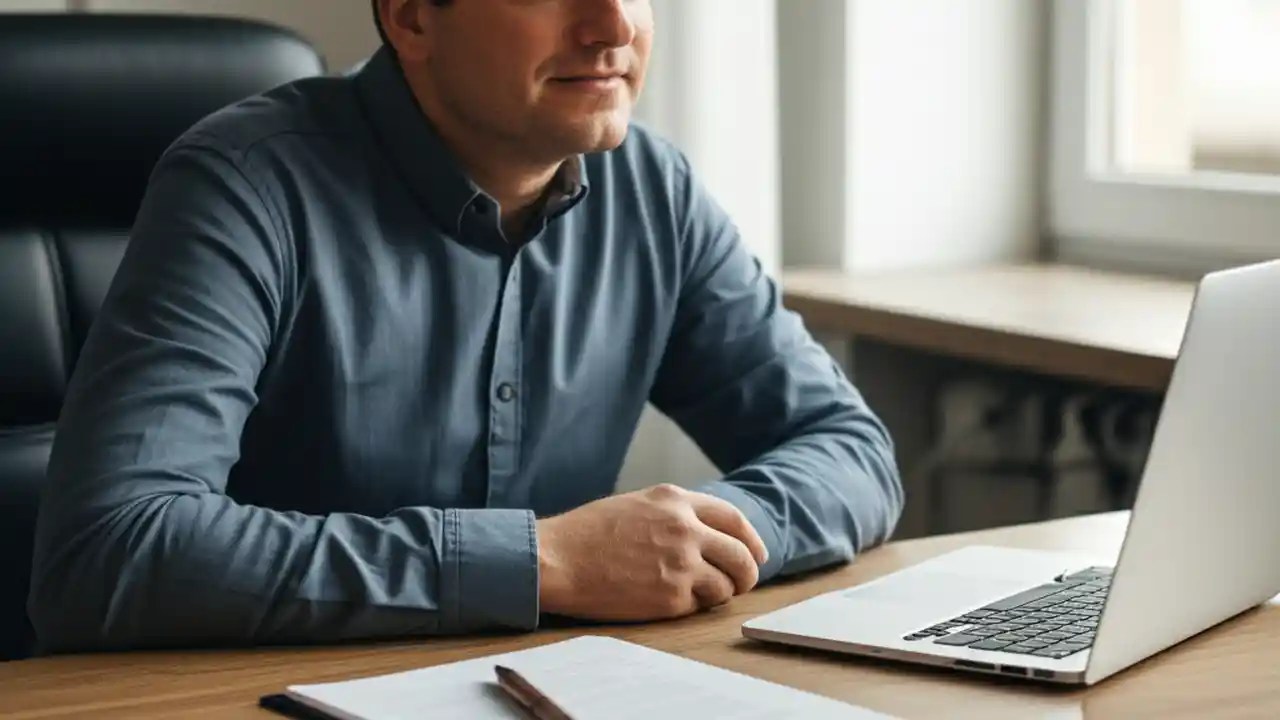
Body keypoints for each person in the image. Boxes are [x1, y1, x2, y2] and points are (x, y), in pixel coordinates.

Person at [27, 0, 903, 653]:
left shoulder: (653, 192)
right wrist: (546, 563)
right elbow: (111, 549)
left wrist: (701, 545)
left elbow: (847, 446)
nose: (612, 26)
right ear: (412, 15)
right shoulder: (247, 188)